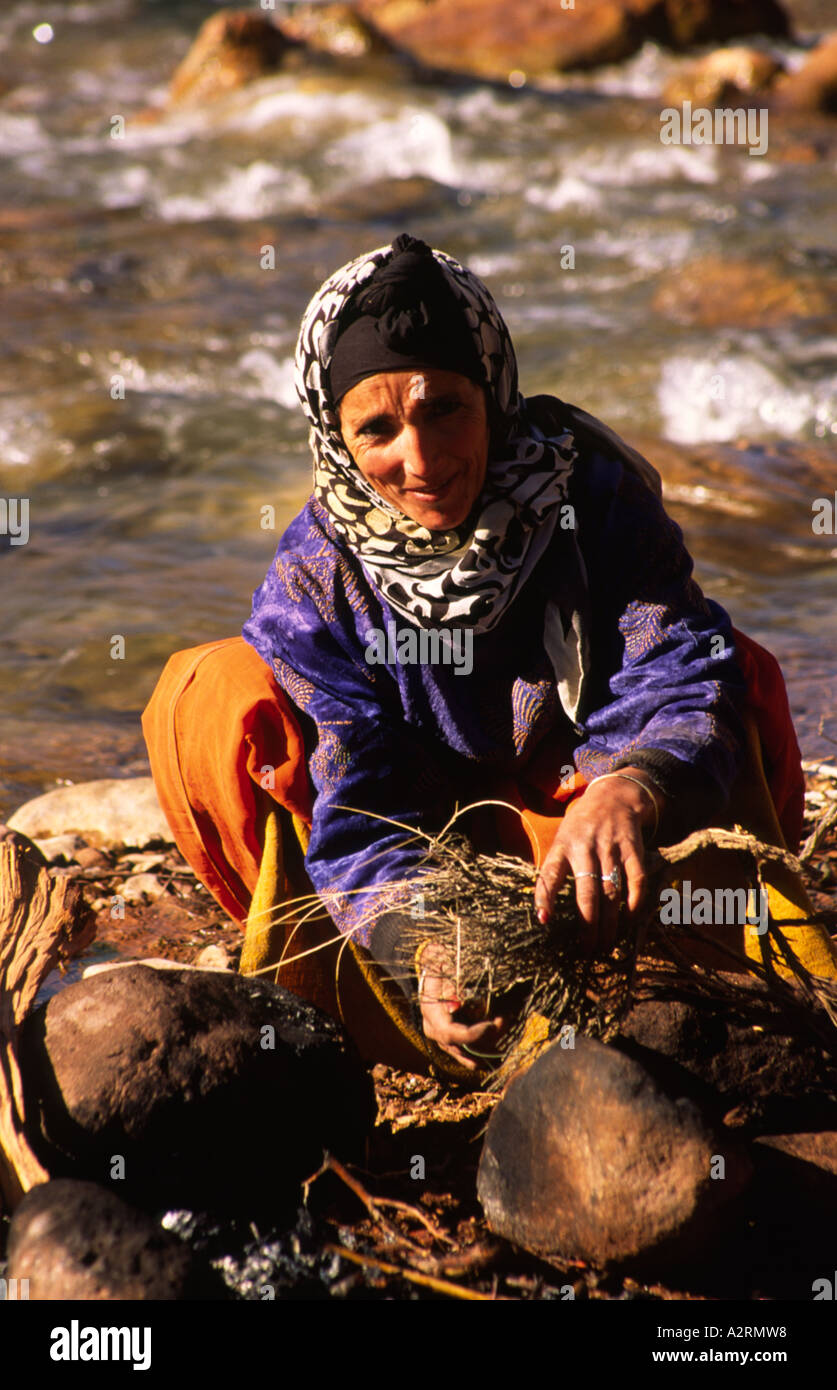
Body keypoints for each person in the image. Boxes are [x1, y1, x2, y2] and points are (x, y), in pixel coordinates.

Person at [142, 234, 835, 1079]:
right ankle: (353, 994)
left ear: (493, 392)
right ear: (335, 438)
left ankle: (657, 958)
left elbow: (677, 666)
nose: (422, 462)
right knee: (210, 695)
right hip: (419, 833)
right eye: (378, 429)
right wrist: (421, 942)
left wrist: (630, 786)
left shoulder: (588, 492)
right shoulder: (312, 578)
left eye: (444, 409)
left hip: (569, 798)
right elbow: (358, 811)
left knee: (739, 665)